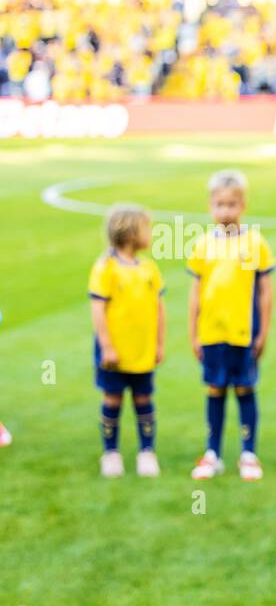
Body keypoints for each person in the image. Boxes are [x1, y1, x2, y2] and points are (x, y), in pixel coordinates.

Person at [188, 169, 276, 482]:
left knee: (244, 389)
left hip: (244, 333)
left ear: (243, 205)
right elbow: (196, 293)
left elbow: (265, 292)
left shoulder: (255, 243)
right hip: (212, 333)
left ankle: (248, 453)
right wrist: (193, 332)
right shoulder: (202, 245)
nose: (225, 210)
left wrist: (263, 331)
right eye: (219, 204)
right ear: (211, 205)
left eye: (232, 204)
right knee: (214, 389)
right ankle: (212, 452)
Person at [88, 204, 165, 477]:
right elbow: (98, 309)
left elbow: (158, 308)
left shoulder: (149, 269)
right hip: (114, 354)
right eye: (147, 228)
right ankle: (111, 453)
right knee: (112, 400)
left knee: (144, 399)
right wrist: (107, 346)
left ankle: (147, 451)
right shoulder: (105, 268)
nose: (151, 234)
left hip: (141, 351)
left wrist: (158, 343)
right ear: (131, 232)